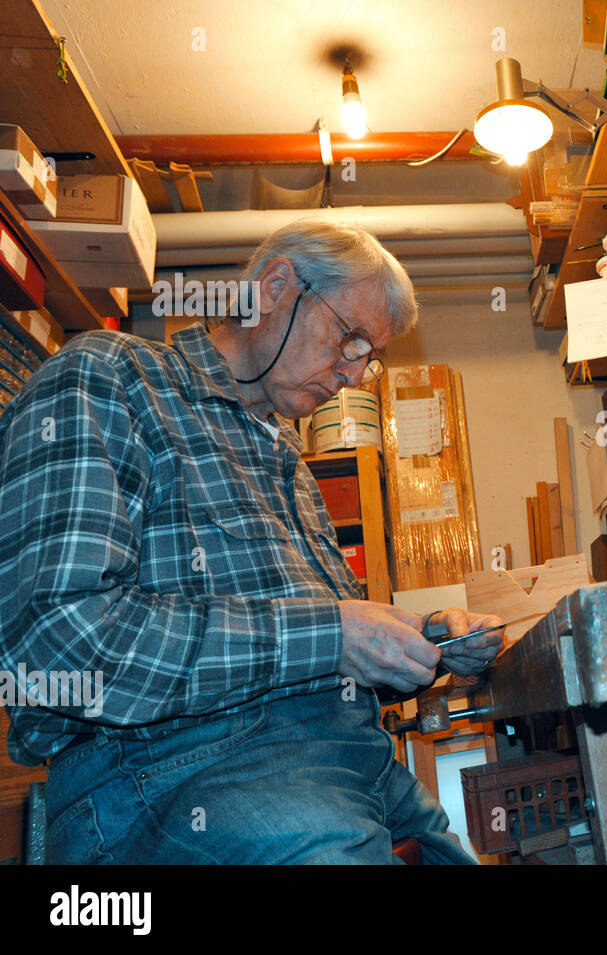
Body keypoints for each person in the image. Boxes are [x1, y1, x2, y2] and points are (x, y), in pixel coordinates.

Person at [0, 219, 502, 863]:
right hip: (176, 777)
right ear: (274, 287)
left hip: (353, 771)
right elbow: (61, 648)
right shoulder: (113, 378)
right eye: (350, 340)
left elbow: (317, 652)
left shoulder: (288, 462)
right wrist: (333, 633)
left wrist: (423, 642)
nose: (355, 375)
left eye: (369, 357)